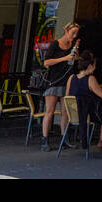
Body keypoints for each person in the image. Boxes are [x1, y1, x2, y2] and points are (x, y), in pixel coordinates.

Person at [66, 51, 102, 152]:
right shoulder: (91, 79)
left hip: (74, 114)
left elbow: (67, 96)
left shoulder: (71, 78)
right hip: (87, 115)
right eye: (95, 65)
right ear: (90, 66)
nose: (95, 67)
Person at [39, 22, 80, 150]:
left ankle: (64, 137)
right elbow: (46, 62)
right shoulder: (55, 44)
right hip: (53, 81)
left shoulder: (72, 46)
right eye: (72, 33)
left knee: (65, 112)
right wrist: (64, 58)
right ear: (66, 31)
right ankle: (45, 139)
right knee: (50, 111)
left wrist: (75, 56)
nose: (74, 36)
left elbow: (73, 63)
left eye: (76, 34)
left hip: (66, 81)